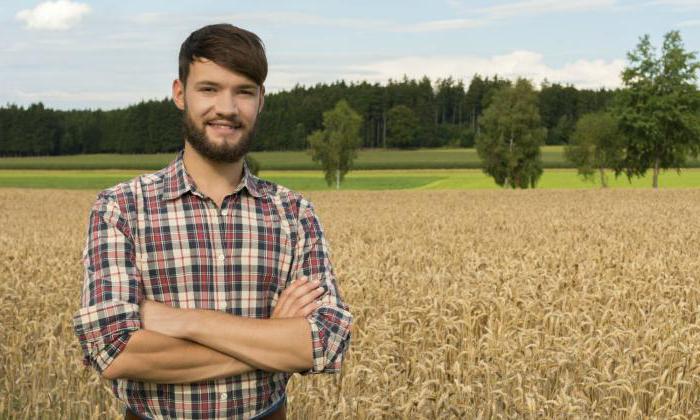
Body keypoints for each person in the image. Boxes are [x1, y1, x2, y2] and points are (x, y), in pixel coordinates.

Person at [72, 23, 353, 420]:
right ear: (179, 93)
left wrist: (180, 321)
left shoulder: (294, 213)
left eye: (244, 91)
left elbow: (325, 341)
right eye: (209, 89)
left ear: (261, 101)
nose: (227, 107)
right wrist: (269, 337)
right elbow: (113, 349)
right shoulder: (121, 209)